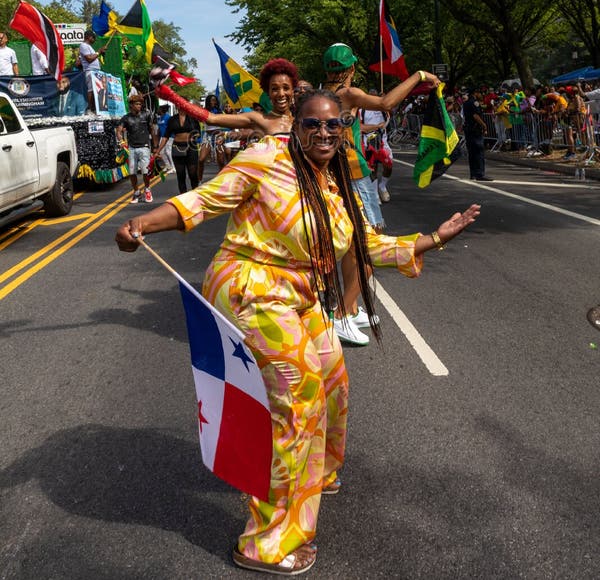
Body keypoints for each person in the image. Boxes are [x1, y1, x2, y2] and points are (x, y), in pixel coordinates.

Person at [115, 88, 480, 576]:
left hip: (299, 293)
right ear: (297, 127)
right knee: (299, 395)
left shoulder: (334, 181)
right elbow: (200, 202)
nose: (325, 133)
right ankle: (265, 540)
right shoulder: (264, 159)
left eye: (333, 125)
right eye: (313, 124)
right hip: (252, 286)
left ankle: (315, 475)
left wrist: (432, 239)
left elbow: (364, 244)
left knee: (332, 380)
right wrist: (142, 223)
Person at [322, 43, 440, 344]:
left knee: (351, 245)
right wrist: (419, 75)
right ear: (350, 69)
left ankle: (349, 305)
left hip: (336, 175)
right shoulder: (348, 94)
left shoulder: (321, 97)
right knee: (368, 245)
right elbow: (387, 103)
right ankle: (344, 314)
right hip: (354, 175)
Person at [116, 95, 157, 203]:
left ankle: (147, 190)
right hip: (132, 149)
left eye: (140, 104)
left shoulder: (146, 115)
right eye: (137, 104)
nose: (139, 106)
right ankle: (136, 192)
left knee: (145, 171)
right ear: (131, 105)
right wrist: (122, 142)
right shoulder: (126, 118)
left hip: (144, 147)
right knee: (132, 172)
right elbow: (119, 131)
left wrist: (155, 147)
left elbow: (152, 130)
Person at [155, 104, 201, 193]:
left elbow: (198, 132)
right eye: (179, 105)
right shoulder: (172, 119)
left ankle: (195, 195)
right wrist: (158, 151)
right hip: (177, 147)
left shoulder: (193, 118)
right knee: (180, 175)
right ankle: (183, 197)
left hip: (191, 147)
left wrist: (193, 136)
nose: (181, 107)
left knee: (193, 174)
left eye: (183, 104)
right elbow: (165, 136)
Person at [361, 90, 393, 203]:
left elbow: (391, 110)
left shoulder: (383, 109)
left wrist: (387, 101)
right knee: (373, 169)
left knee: (389, 166)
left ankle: (382, 186)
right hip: (368, 143)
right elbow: (360, 127)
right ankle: (375, 194)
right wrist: (375, 127)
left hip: (383, 143)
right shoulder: (362, 110)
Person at [462, 89, 492, 181]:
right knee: (479, 152)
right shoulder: (475, 103)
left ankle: (473, 174)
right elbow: (475, 116)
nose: (481, 95)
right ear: (475, 93)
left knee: (471, 153)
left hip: (468, 129)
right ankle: (480, 174)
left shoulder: (466, 103)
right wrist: (484, 125)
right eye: (480, 93)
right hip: (475, 130)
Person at [79, 30, 107, 111]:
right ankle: (90, 109)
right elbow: (89, 59)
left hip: (95, 71)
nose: (94, 40)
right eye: (93, 38)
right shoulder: (83, 45)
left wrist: (100, 53)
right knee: (91, 90)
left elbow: (93, 57)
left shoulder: (89, 46)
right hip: (90, 71)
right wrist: (99, 51)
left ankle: (95, 109)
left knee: (96, 91)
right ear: (89, 37)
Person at [156, 105, 175, 173]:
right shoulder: (159, 118)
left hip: (169, 137)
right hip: (162, 137)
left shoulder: (168, 117)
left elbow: (172, 127)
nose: (157, 110)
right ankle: (168, 166)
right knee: (161, 152)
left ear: (162, 110)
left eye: (159, 109)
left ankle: (173, 167)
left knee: (168, 152)